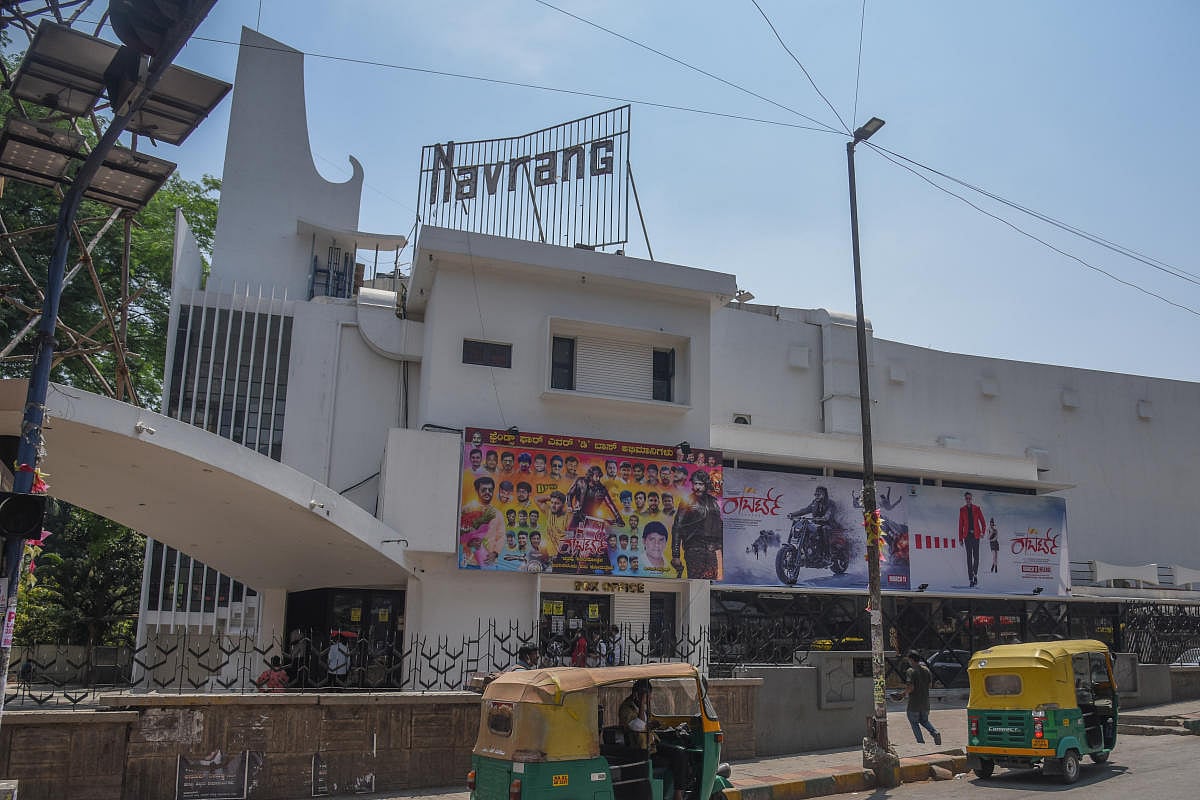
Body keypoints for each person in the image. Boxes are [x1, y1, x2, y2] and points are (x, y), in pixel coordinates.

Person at [619, 679, 688, 800]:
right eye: (647, 697)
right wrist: (641, 704)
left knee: (680, 752)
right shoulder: (627, 708)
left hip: (651, 745)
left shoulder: (642, 707)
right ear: (636, 695)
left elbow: (645, 725)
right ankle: (677, 796)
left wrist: (653, 724)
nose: (649, 700)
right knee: (675, 758)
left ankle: (678, 791)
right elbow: (639, 726)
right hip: (640, 750)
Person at [670, 470, 723, 579]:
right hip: (694, 548)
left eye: (701, 484)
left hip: (713, 549)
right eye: (695, 484)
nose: (697, 487)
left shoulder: (714, 502)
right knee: (696, 582)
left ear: (706, 485)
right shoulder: (687, 501)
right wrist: (676, 555)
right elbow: (677, 527)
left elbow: (720, 528)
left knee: (711, 582)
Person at [903, 651, 941, 745]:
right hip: (925, 703)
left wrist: (902, 694)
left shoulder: (910, 671)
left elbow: (911, 687)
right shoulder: (926, 670)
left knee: (914, 723)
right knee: (924, 721)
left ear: (911, 660)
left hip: (914, 704)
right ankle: (935, 733)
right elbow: (929, 685)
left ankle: (920, 742)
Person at [959, 492, 986, 586]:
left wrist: (983, 532)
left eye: (969, 498)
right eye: (967, 498)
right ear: (965, 499)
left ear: (972, 499)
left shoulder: (977, 509)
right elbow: (960, 525)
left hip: (976, 536)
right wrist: (960, 538)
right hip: (967, 536)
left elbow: (983, 522)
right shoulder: (962, 510)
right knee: (969, 558)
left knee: (976, 557)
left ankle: (975, 574)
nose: (968, 500)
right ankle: (971, 579)